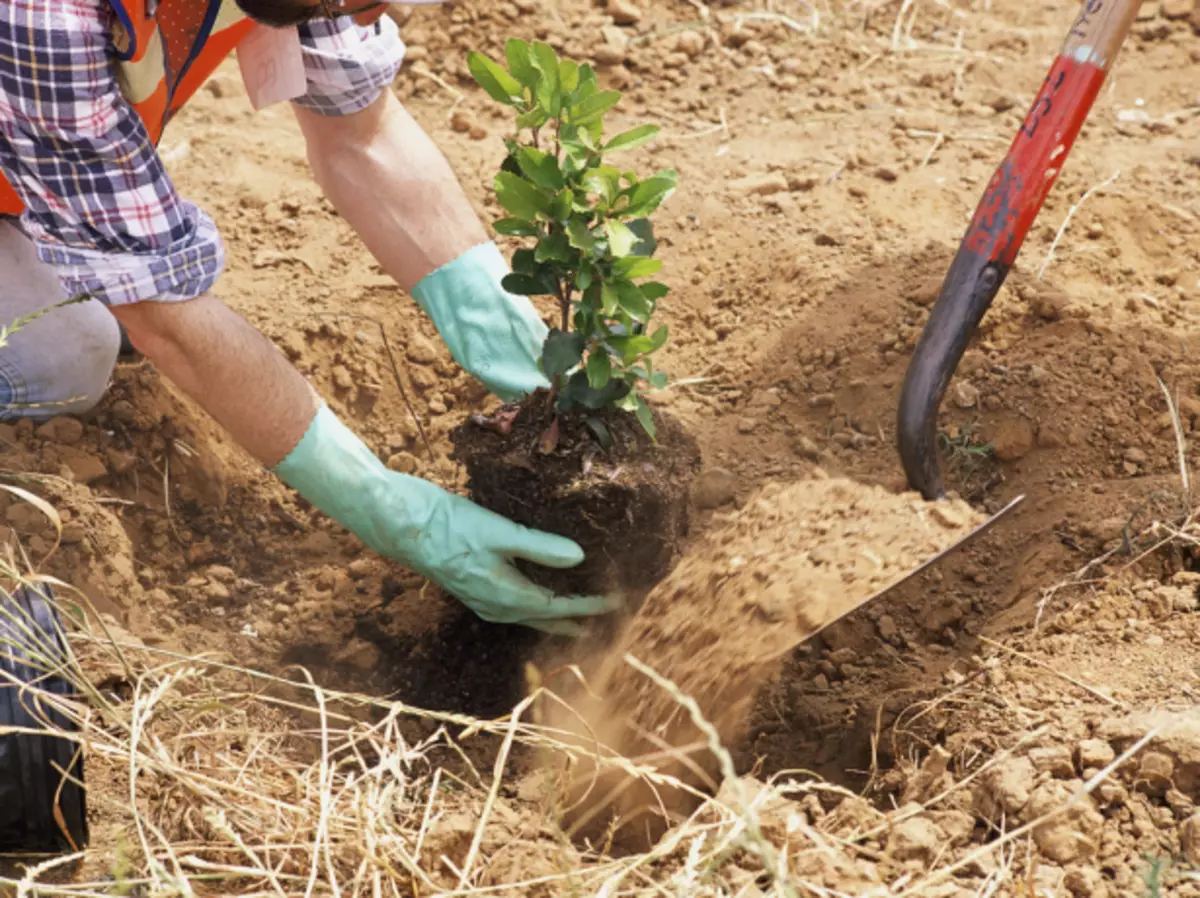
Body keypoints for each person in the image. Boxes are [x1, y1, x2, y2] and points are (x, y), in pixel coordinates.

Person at [0, 0, 618, 635]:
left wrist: (530, 363)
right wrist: (392, 512)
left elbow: (362, 136)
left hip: (26, 163)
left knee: (106, 282)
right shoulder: (44, 16)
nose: (389, 7)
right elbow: (164, 315)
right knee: (61, 354)